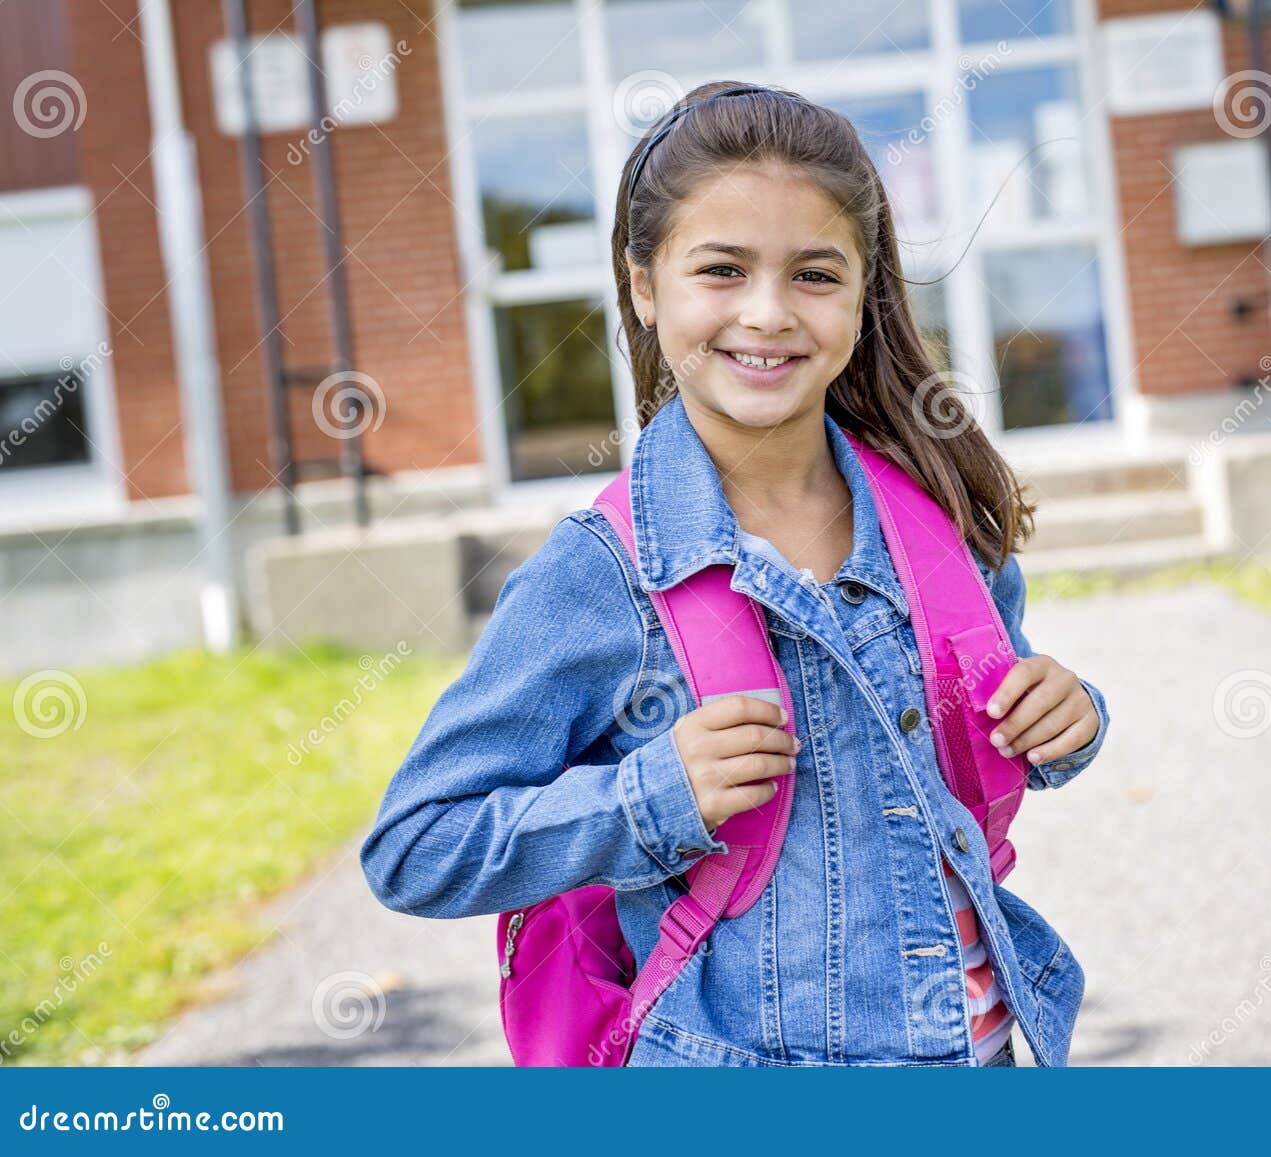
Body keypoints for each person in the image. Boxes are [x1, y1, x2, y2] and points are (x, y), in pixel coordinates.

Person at [360, 81, 1110, 1067]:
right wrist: (653, 797)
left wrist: (1070, 715)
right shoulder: (602, 573)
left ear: (860, 293)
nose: (766, 313)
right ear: (642, 285)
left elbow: (997, 715)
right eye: (720, 269)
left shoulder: (937, 514)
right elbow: (416, 845)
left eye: (813, 275)